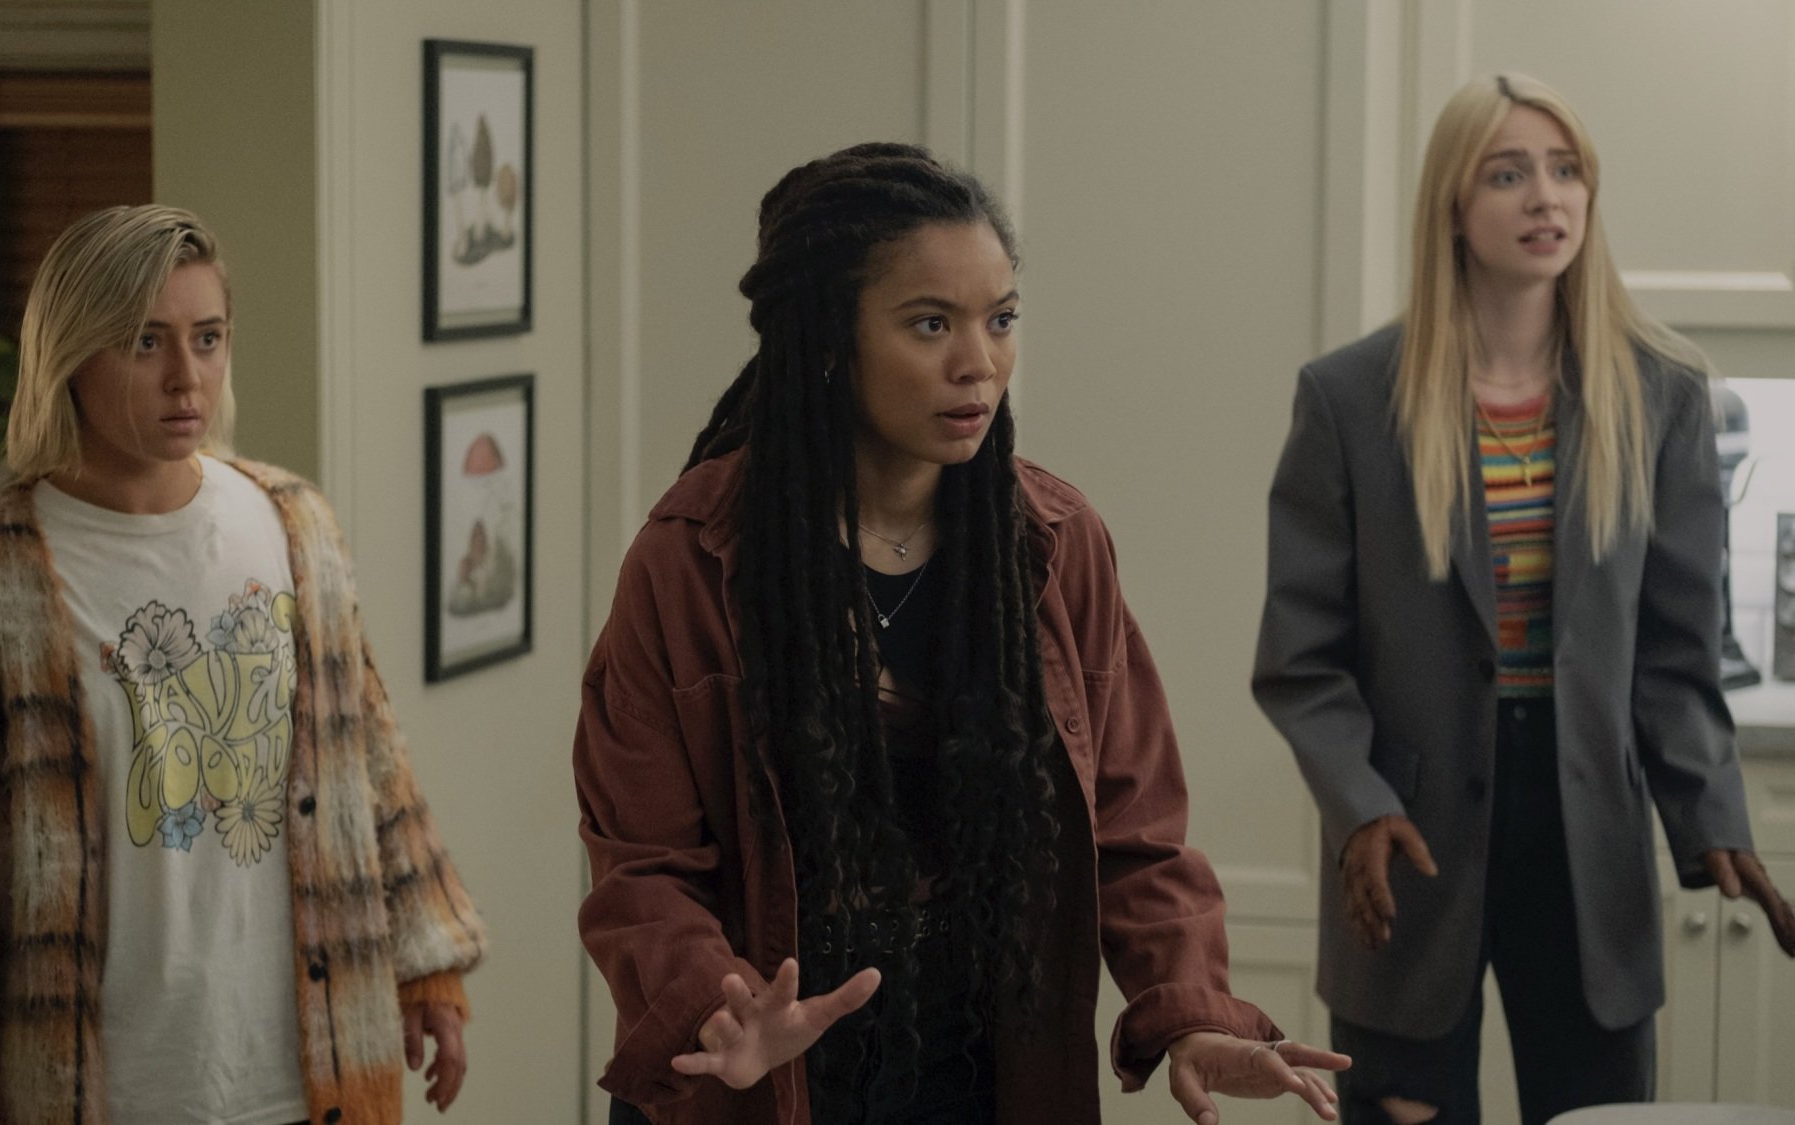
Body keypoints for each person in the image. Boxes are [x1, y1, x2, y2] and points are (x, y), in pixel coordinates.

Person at [575, 142, 1349, 1125]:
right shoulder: (691, 558)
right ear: (825, 336)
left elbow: (1134, 834)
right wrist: (716, 1008)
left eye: (1000, 319)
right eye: (929, 323)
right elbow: (642, 860)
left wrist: (1189, 1013)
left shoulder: (1054, 545)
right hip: (762, 1076)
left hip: (985, 1068)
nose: (977, 362)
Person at [0, 205, 488, 1125]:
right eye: (145, 343)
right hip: (96, 1088)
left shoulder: (294, 526)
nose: (187, 377)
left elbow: (369, 758)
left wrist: (429, 961)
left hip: (315, 1075)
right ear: (70, 355)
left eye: (207, 338)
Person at [1253, 74, 1795, 1125]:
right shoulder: (1348, 397)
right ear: (1452, 207)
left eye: (1564, 171)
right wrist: (1358, 803)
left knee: (1598, 1115)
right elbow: (1300, 659)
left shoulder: (1662, 392)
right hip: (1404, 834)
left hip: (1584, 824)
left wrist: (1711, 815)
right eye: (1506, 174)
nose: (1544, 197)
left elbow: (1674, 655)